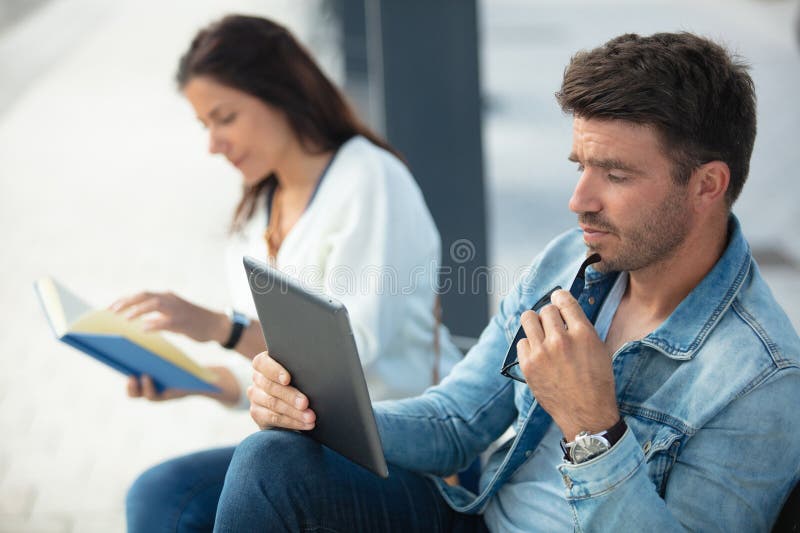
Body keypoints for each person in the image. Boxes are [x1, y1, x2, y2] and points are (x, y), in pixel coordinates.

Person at [215, 32, 800, 532]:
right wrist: (322, 410)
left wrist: (591, 427)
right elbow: (457, 423)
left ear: (707, 185)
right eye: (581, 167)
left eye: (616, 175)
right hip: (479, 515)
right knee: (271, 461)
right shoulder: (570, 263)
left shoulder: (761, 381)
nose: (580, 202)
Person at [118, 14, 463, 532]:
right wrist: (196, 381)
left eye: (225, 117)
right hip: (308, 448)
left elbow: (341, 361)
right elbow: (272, 370)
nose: (213, 143)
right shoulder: (260, 207)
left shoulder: (368, 178)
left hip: (401, 451)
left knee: (235, 477)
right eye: (204, 125)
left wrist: (217, 327)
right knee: (162, 494)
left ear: (281, 93)